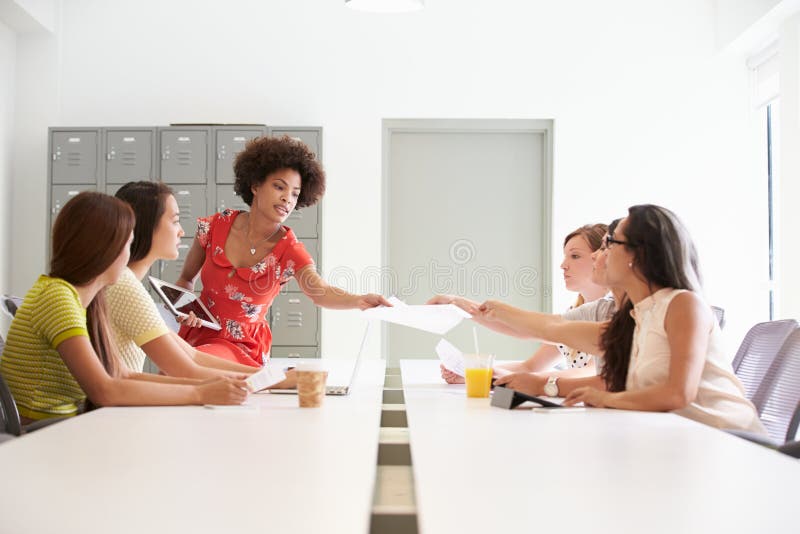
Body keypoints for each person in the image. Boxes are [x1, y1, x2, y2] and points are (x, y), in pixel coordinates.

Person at [474, 204, 765, 433]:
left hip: (727, 440)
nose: (601, 254)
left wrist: (605, 398)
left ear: (635, 256)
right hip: (677, 436)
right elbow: (556, 327)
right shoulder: (638, 316)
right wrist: (489, 308)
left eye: (609, 243)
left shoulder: (683, 304)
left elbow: (677, 394)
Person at [0, 192, 247, 422]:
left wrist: (203, 388)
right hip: (42, 429)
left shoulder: (84, 299)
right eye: (127, 245)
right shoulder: (57, 297)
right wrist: (199, 394)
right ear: (104, 249)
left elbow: (121, 374)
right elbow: (104, 391)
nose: (129, 256)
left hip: (63, 424)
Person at [176, 135, 390, 367]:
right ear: (255, 185)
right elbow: (186, 280)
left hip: (241, 347)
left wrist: (359, 300)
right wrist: (184, 308)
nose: (287, 198)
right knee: (172, 375)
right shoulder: (215, 225)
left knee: (190, 368)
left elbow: (320, 291)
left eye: (295, 193)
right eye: (279, 186)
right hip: (197, 336)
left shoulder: (289, 249)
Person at [107, 181, 290, 383]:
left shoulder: (124, 282)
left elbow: (194, 357)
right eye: (175, 221)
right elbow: (187, 370)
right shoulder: (125, 287)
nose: (181, 232)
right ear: (148, 225)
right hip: (108, 411)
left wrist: (272, 377)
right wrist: (279, 381)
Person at [431, 223, 610, 384]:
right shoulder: (578, 312)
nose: (563, 265)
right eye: (565, 256)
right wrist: (472, 374)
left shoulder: (610, 312)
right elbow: (530, 364)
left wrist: (497, 375)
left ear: (600, 258)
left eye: (575, 256)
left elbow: (589, 373)